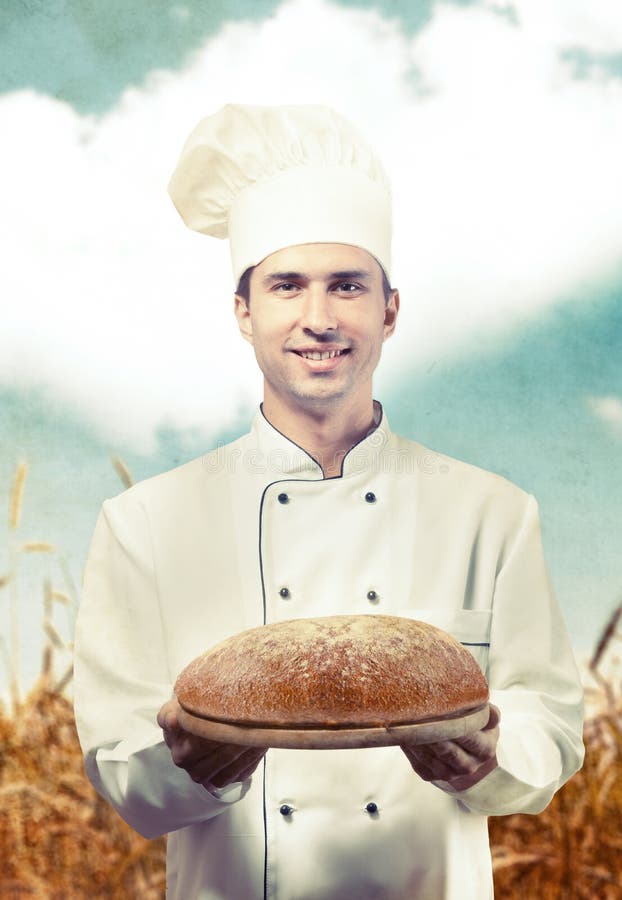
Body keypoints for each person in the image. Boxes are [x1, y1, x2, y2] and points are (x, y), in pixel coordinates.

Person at [74, 104, 585, 900]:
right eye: (287, 287)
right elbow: (116, 764)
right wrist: (188, 766)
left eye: (346, 286)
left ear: (389, 309)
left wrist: (492, 756)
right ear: (244, 313)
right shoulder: (145, 523)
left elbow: (549, 727)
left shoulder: (493, 513)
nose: (318, 319)